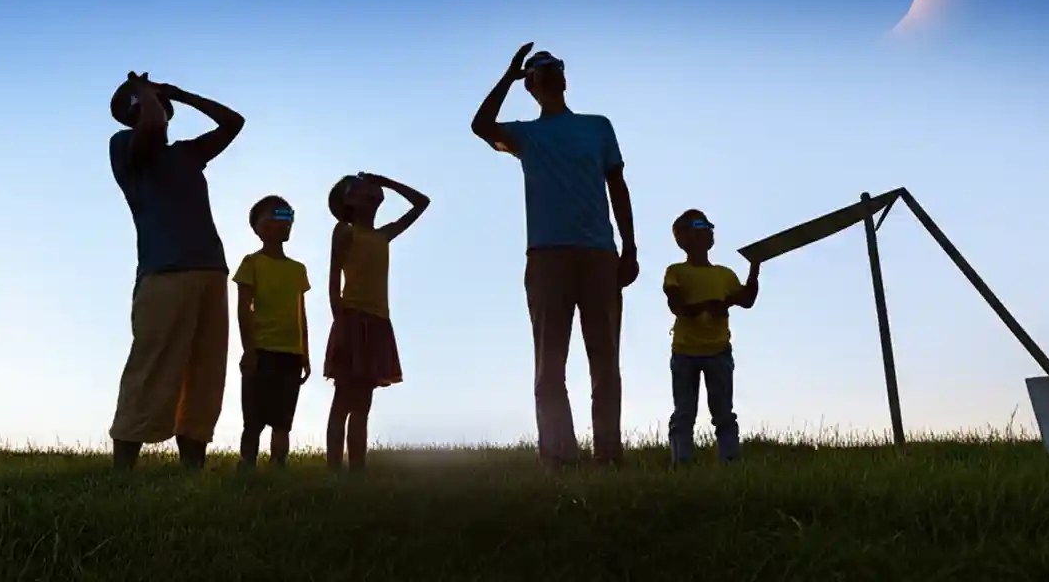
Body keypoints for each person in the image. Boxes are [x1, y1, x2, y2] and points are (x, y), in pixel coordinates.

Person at [470, 43, 639, 468]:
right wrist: (509, 75)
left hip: (599, 254)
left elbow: (617, 186)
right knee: (549, 362)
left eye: (554, 67)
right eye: (538, 71)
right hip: (546, 257)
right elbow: (480, 125)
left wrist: (630, 246)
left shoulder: (598, 127)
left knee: (605, 361)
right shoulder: (527, 134)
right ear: (530, 86)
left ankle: (608, 456)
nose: (548, 74)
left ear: (565, 78)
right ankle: (560, 458)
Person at [107, 71, 245, 470]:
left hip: (210, 271)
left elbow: (233, 122)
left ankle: (192, 467)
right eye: (145, 102)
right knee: (152, 366)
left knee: (205, 372)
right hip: (163, 273)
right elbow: (149, 125)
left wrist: (182, 95)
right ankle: (124, 467)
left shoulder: (186, 153)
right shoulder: (125, 147)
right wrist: (145, 91)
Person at [323, 172, 429, 472]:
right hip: (352, 318)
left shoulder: (383, 235)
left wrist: (387, 181)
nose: (368, 189)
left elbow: (421, 203)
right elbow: (333, 282)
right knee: (343, 399)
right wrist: (340, 324)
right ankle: (333, 471)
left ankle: (357, 472)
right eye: (357, 188)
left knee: (363, 405)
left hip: (378, 320)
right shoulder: (344, 231)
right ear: (348, 203)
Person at [662, 209, 760, 465]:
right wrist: (710, 305)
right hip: (685, 352)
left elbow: (746, 299)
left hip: (718, 351)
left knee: (723, 413)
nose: (708, 229)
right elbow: (676, 304)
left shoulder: (724, 274)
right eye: (699, 224)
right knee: (684, 412)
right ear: (683, 237)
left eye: (708, 225)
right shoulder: (676, 272)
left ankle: (730, 461)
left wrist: (755, 268)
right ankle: (681, 462)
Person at [233, 195, 312, 469]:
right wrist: (249, 350)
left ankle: (279, 466)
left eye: (289, 216)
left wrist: (305, 353)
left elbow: (300, 314)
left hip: (290, 354)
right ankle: (247, 464)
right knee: (252, 419)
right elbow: (244, 308)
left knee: (283, 421)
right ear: (259, 227)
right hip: (261, 352)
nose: (285, 222)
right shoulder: (251, 263)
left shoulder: (298, 270)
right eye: (277, 215)